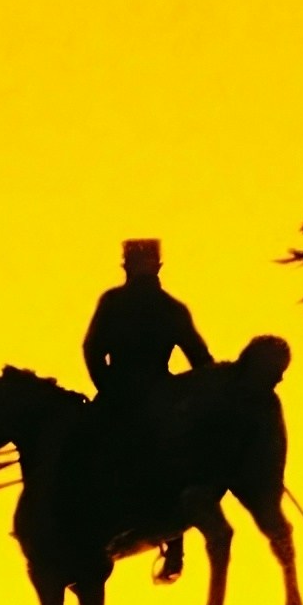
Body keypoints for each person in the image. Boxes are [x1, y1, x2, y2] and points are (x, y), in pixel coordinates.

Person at [84, 238, 213, 579]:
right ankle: (171, 540)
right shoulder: (170, 308)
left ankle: (171, 538)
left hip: (128, 392)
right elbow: (201, 360)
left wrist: (107, 386)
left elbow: (92, 349)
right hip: (150, 393)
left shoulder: (115, 302)